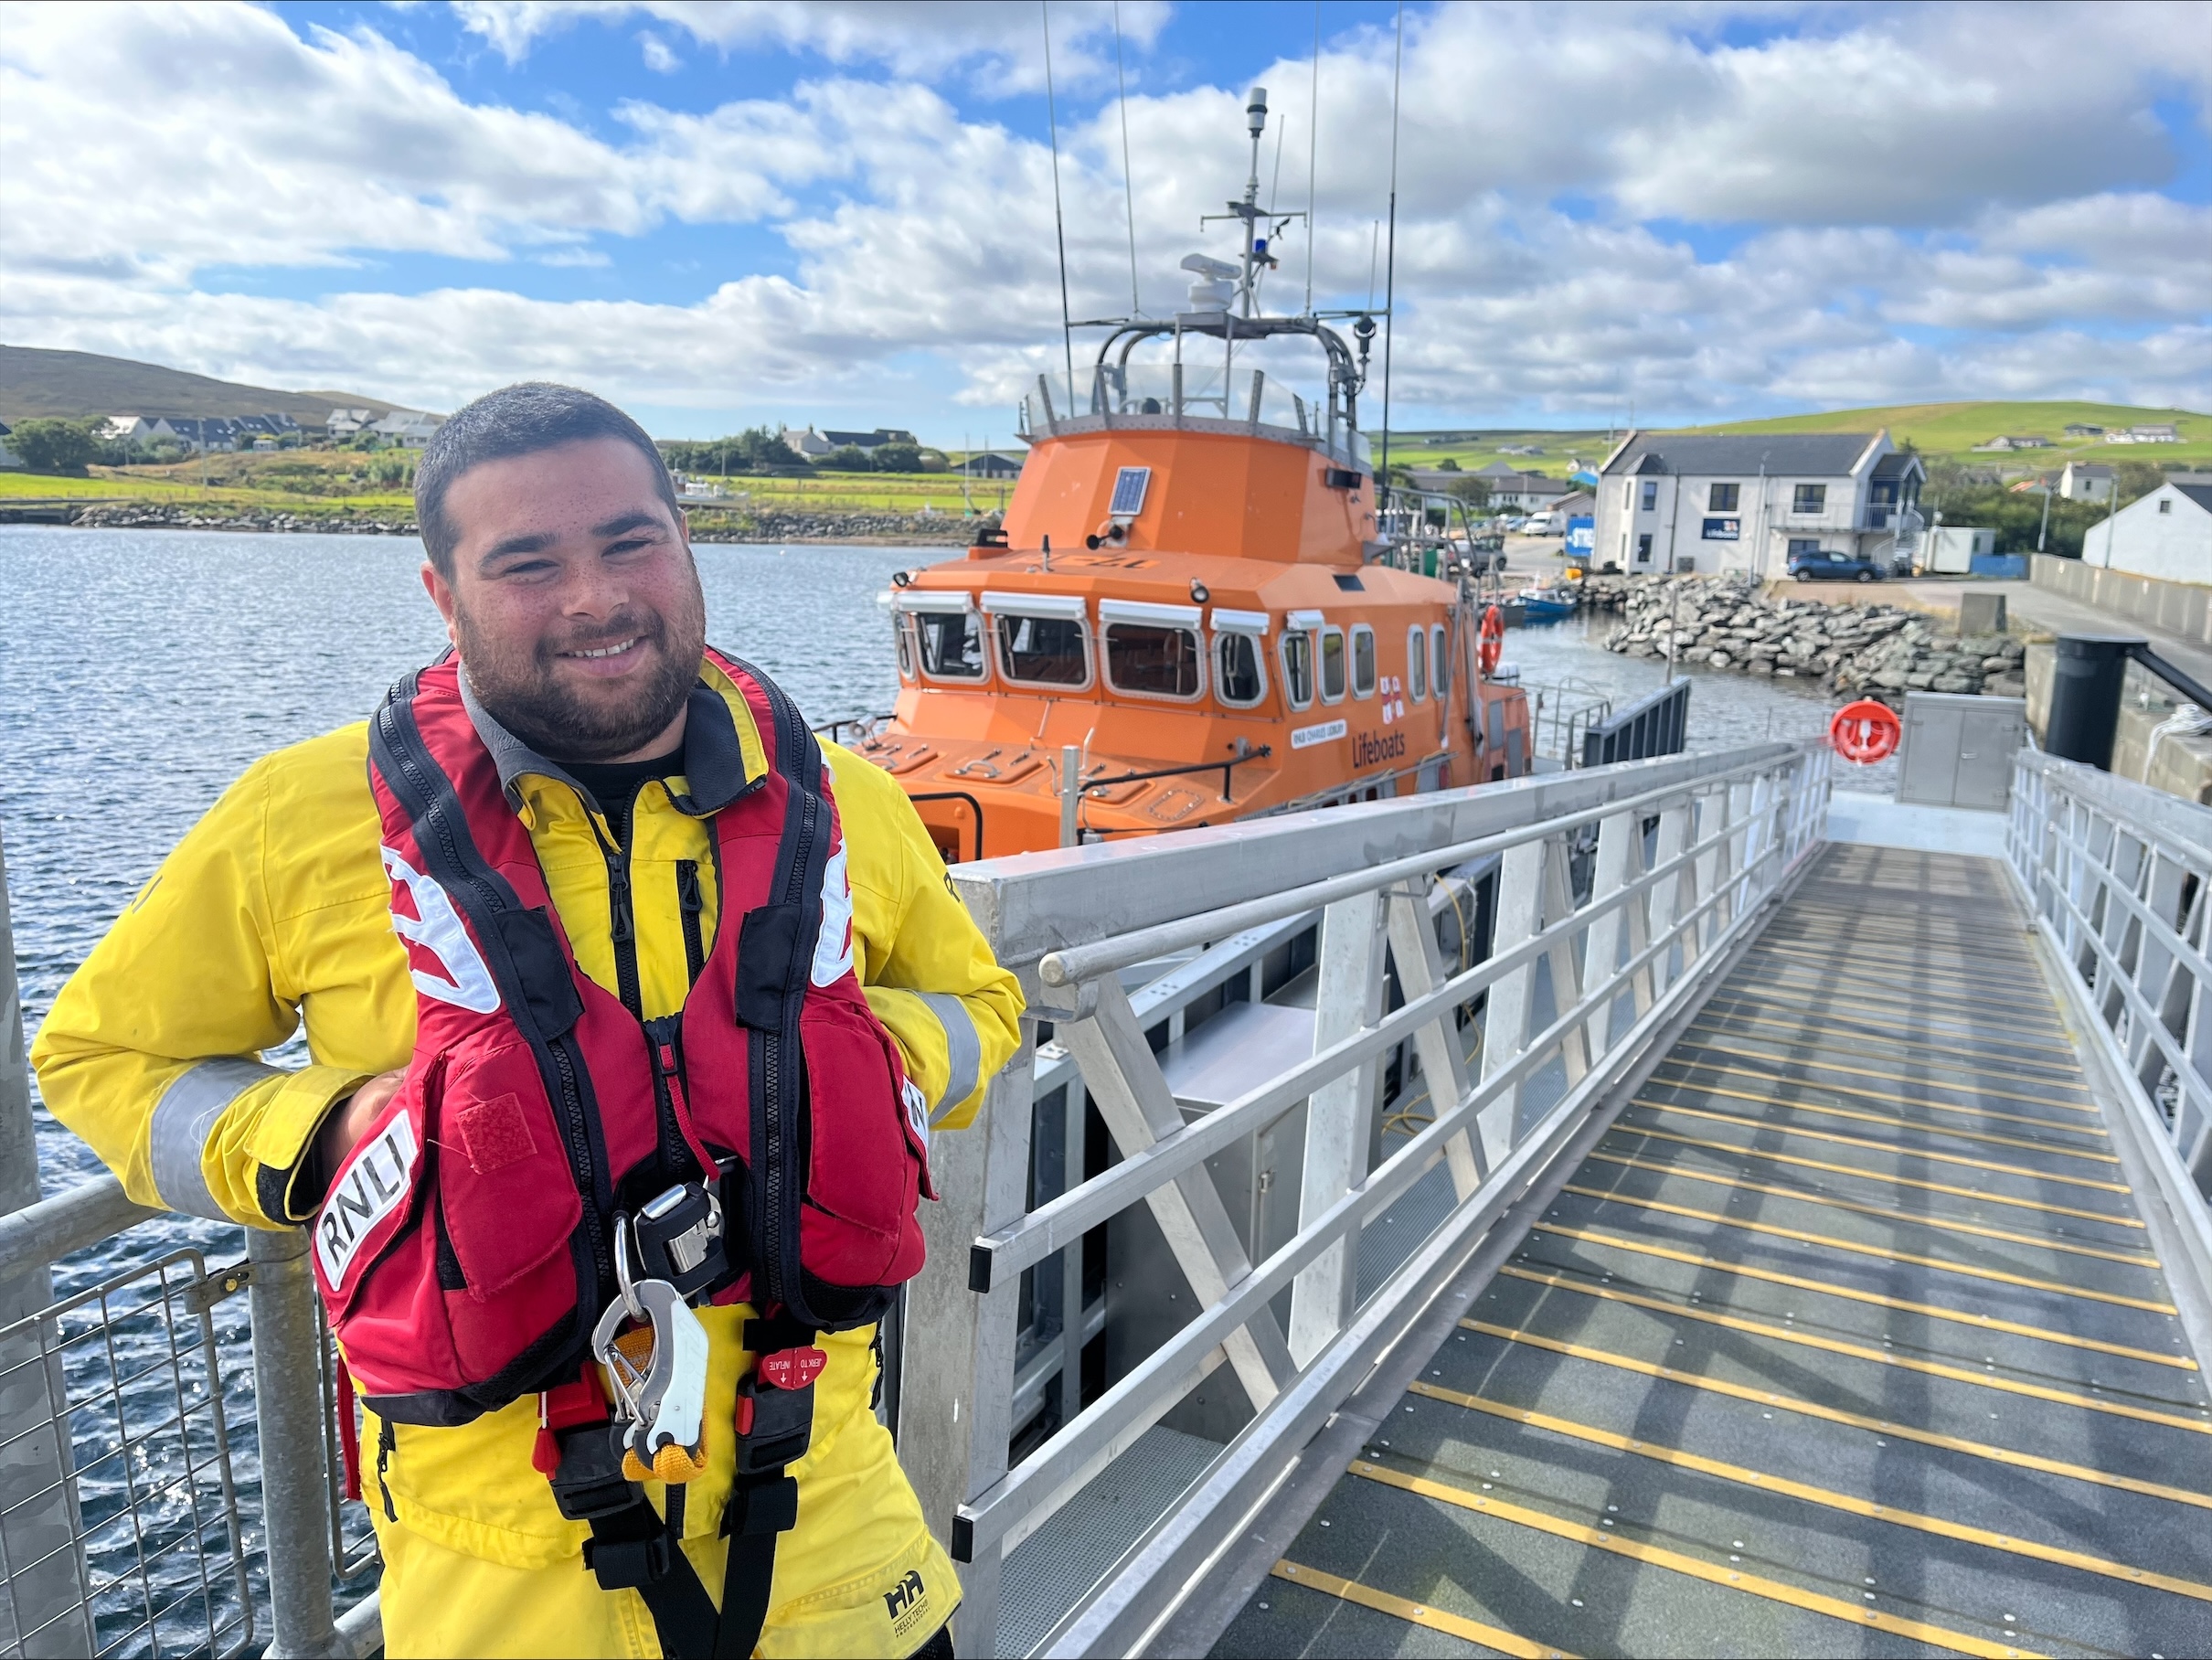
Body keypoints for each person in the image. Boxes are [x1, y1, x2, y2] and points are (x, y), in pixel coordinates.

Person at [33, 383, 1023, 1658]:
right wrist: (327, 1135)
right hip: (502, 1595)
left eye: (630, 542)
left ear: (683, 541)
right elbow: (98, 1057)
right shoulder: (297, 818)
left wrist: (875, 1061)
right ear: (444, 597)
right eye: (526, 564)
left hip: (836, 1548)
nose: (597, 599)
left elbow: (980, 1000)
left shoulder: (845, 806)